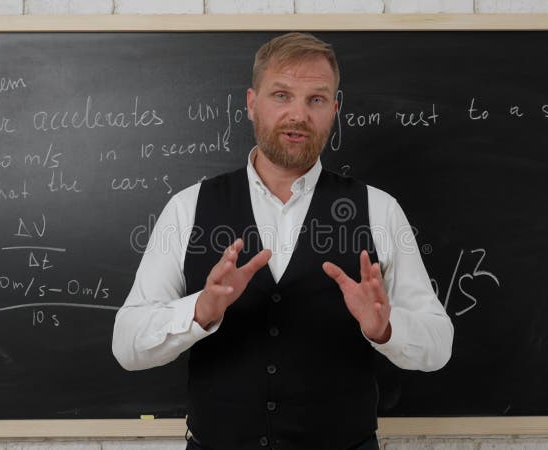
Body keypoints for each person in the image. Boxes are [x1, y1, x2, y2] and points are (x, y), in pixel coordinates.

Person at [112, 32, 453, 450]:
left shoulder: (379, 210)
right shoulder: (188, 208)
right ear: (252, 103)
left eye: (316, 99)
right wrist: (200, 310)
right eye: (282, 95)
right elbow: (126, 344)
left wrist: (385, 329)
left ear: (334, 109)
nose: (298, 114)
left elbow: (439, 345)